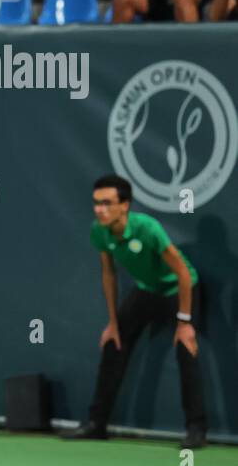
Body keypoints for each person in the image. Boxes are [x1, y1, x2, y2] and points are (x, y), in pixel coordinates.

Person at [66, 175, 206, 449]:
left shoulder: (148, 229)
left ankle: (196, 429)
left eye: (106, 203)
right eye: (96, 203)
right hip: (146, 291)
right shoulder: (99, 231)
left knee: (186, 350)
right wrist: (113, 322)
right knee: (113, 344)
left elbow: (182, 273)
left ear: (125, 205)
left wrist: (185, 322)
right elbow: (109, 274)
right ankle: (97, 424)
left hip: (179, 289)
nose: (99, 209)